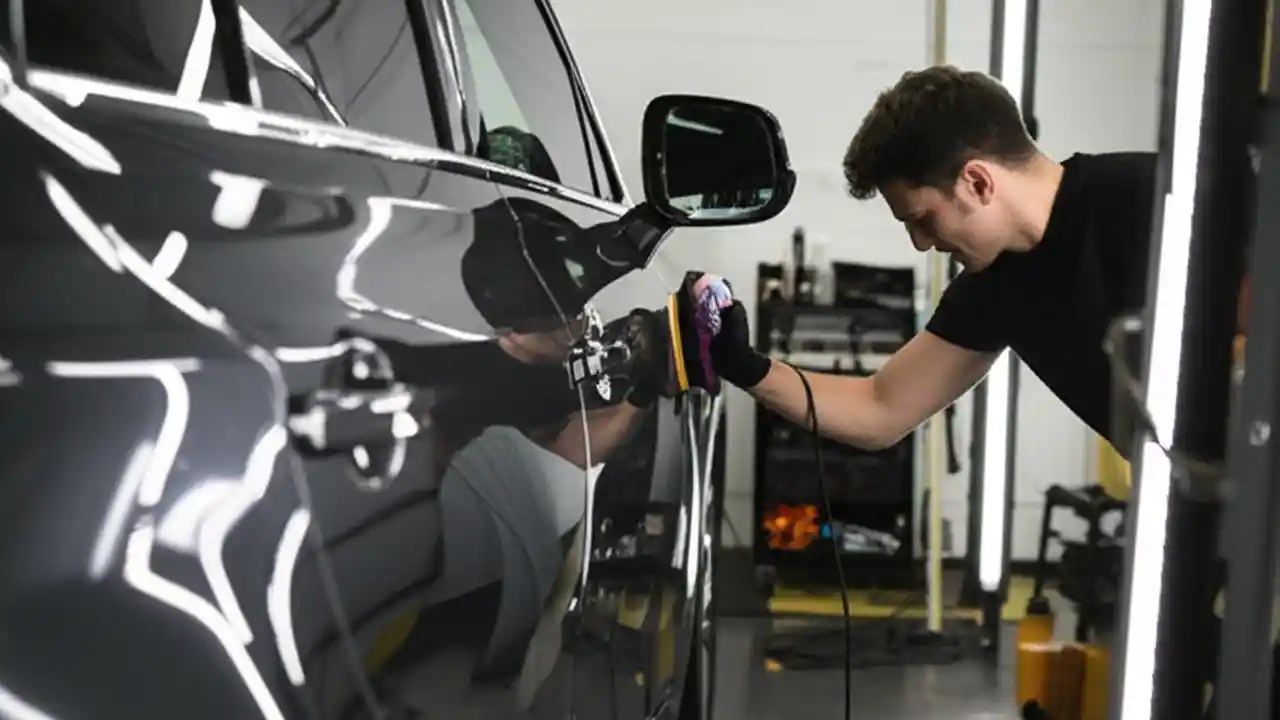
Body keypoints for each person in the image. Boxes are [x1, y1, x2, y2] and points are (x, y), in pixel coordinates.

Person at [709, 65, 1157, 458]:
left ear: (977, 182)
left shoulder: (1154, 198)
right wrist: (743, 365)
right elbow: (879, 408)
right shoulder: (992, 287)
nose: (921, 244)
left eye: (923, 220)